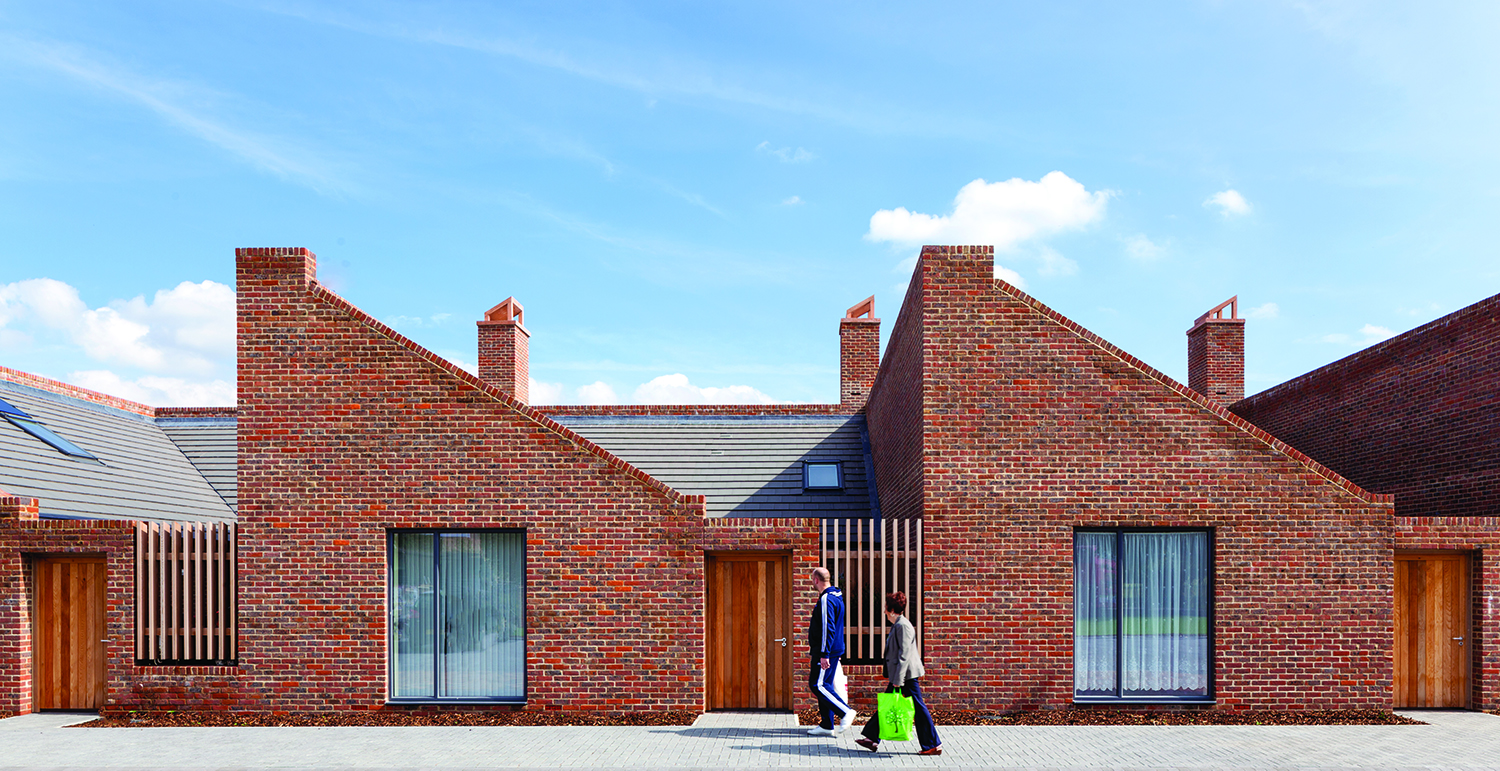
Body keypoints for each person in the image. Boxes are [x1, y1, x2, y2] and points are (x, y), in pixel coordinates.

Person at [856, 591, 942, 756]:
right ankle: (871, 738)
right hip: (901, 674)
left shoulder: (903, 626)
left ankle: (933, 744)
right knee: (887, 705)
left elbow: (904, 654)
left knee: (919, 708)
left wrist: (898, 680)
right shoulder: (898, 624)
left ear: (891, 609)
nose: (884, 611)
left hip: (906, 675)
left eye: (886, 608)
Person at [806, 566, 856, 736]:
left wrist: (825, 654)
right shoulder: (836, 596)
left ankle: (845, 712)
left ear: (816, 580)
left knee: (817, 684)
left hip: (826, 651)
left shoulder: (827, 599)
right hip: (831, 649)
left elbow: (829, 627)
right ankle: (827, 724)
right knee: (824, 684)